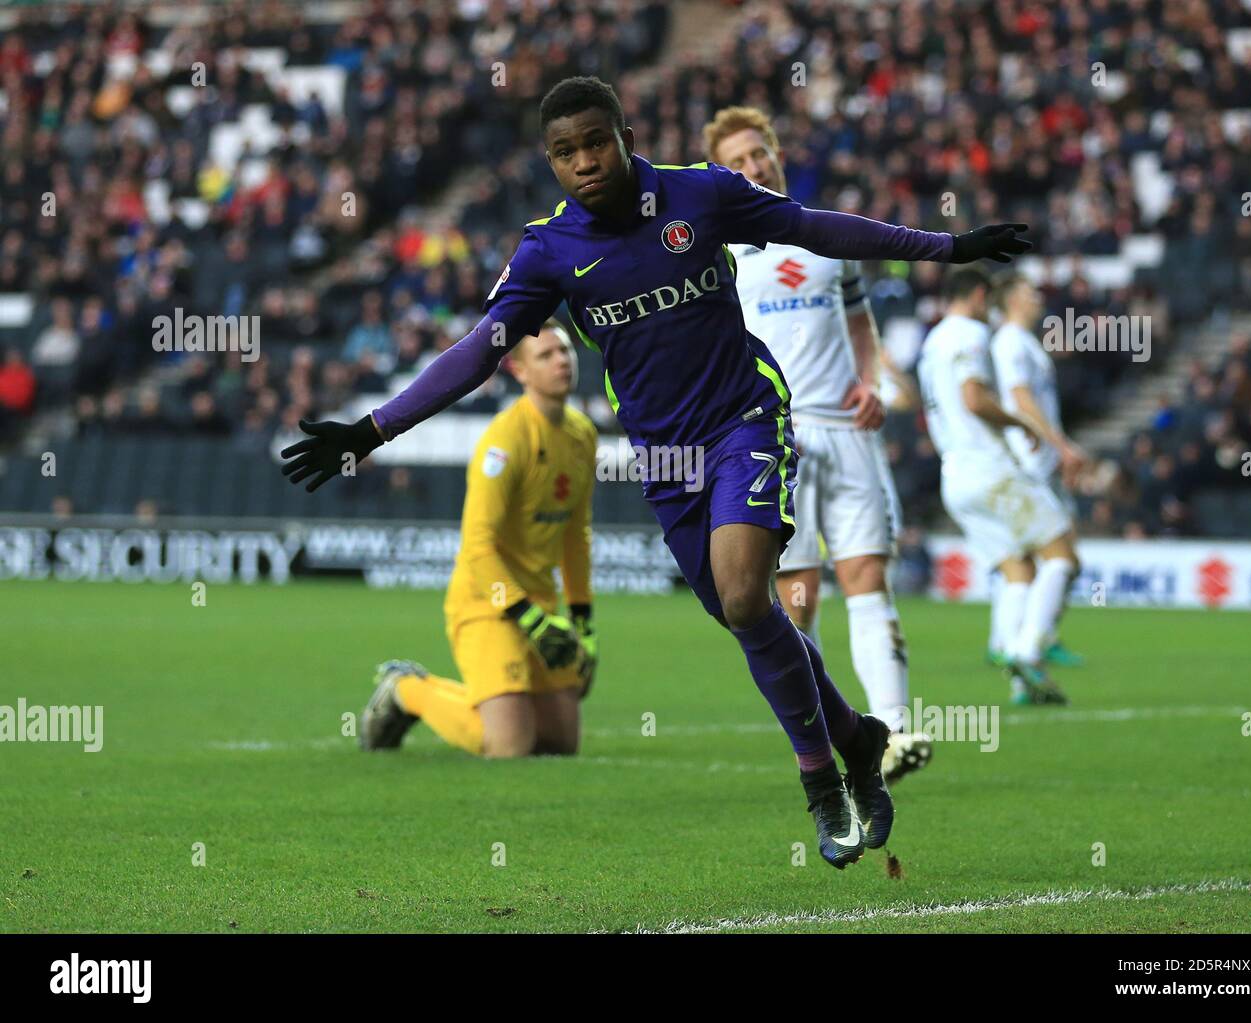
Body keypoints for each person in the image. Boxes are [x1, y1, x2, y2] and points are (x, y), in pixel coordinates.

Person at [282, 76, 1031, 868]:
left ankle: (818, 781)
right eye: (565, 154)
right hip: (667, 459)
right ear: (551, 163)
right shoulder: (548, 250)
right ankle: (858, 738)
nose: (584, 163)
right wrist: (370, 428)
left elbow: (813, 228)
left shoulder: (700, 197)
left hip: (747, 416)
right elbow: (479, 351)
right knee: (754, 621)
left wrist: (945, 248)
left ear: (626, 137)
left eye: (595, 143)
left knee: (748, 596)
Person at [705, 106, 931, 783]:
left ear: (776, 153)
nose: (753, 167)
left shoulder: (822, 236)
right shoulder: (720, 255)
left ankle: (891, 732)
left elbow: (861, 326)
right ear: (722, 173)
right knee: (797, 595)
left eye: (759, 152)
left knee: (868, 576)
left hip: (847, 428)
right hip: (777, 435)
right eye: (737, 161)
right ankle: (829, 737)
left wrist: (873, 383)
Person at [359, 321, 598, 758]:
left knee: (561, 744)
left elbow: (575, 537)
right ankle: (407, 690)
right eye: (546, 355)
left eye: (565, 351)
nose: (562, 361)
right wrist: (529, 618)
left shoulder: (583, 434)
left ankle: (494, 699)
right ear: (519, 371)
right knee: (509, 746)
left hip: (539, 604)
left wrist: (583, 624)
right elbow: (478, 546)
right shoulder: (504, 441)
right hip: (487, 602)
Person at [916, 269, 1079, 705]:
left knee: (1017, 570)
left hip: (954, 475)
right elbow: (974, 397)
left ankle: (1017, 672)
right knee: (1062, 554)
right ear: (980, 294)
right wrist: (1019, 423)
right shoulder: (970, 332)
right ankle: (1028, 650)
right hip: (988, 468)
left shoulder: (930, 342)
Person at [987, 273, 1089, 670]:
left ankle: (1025, 638)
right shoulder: (1010, 342)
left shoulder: (1024, 342)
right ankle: (1025, 643)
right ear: (1011, 298)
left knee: (1040, 558)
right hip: (1028, 461)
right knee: (1054, 557)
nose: (1036, 298)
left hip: (1038, 460)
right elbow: (1019, 397)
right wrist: (1060, 445)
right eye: (1029, 292)